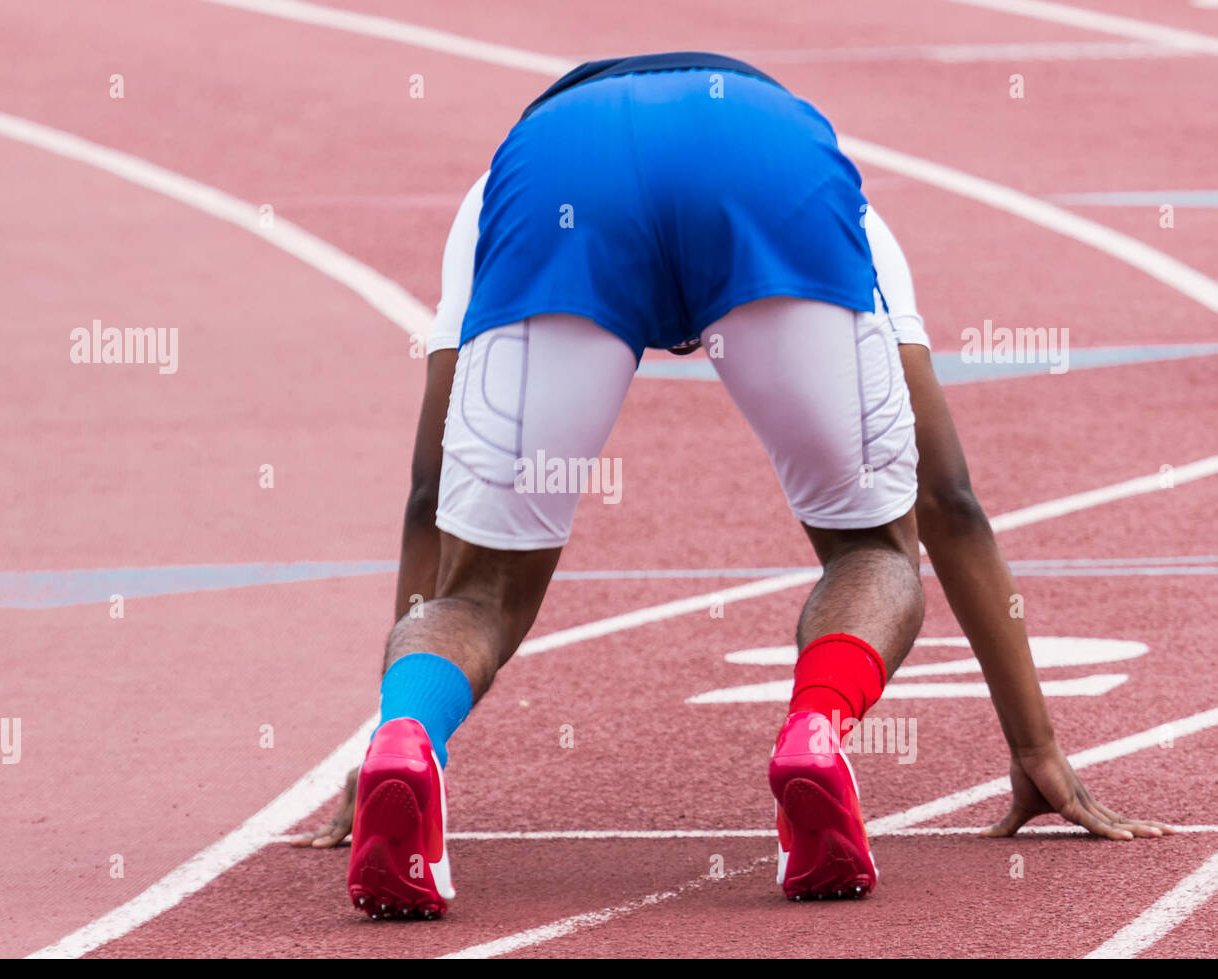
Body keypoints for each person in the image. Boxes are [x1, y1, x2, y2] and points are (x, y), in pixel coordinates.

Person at [294, 53, 1172, 919]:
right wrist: (1035, 744)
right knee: (872, 546)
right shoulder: (842, 194)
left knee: (481, 590)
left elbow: (427, 490)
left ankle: (409, 745)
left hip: (559, 171)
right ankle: (815, 732)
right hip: (766, 162)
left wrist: (390, 724)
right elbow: (949, 500)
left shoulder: (486, 197)